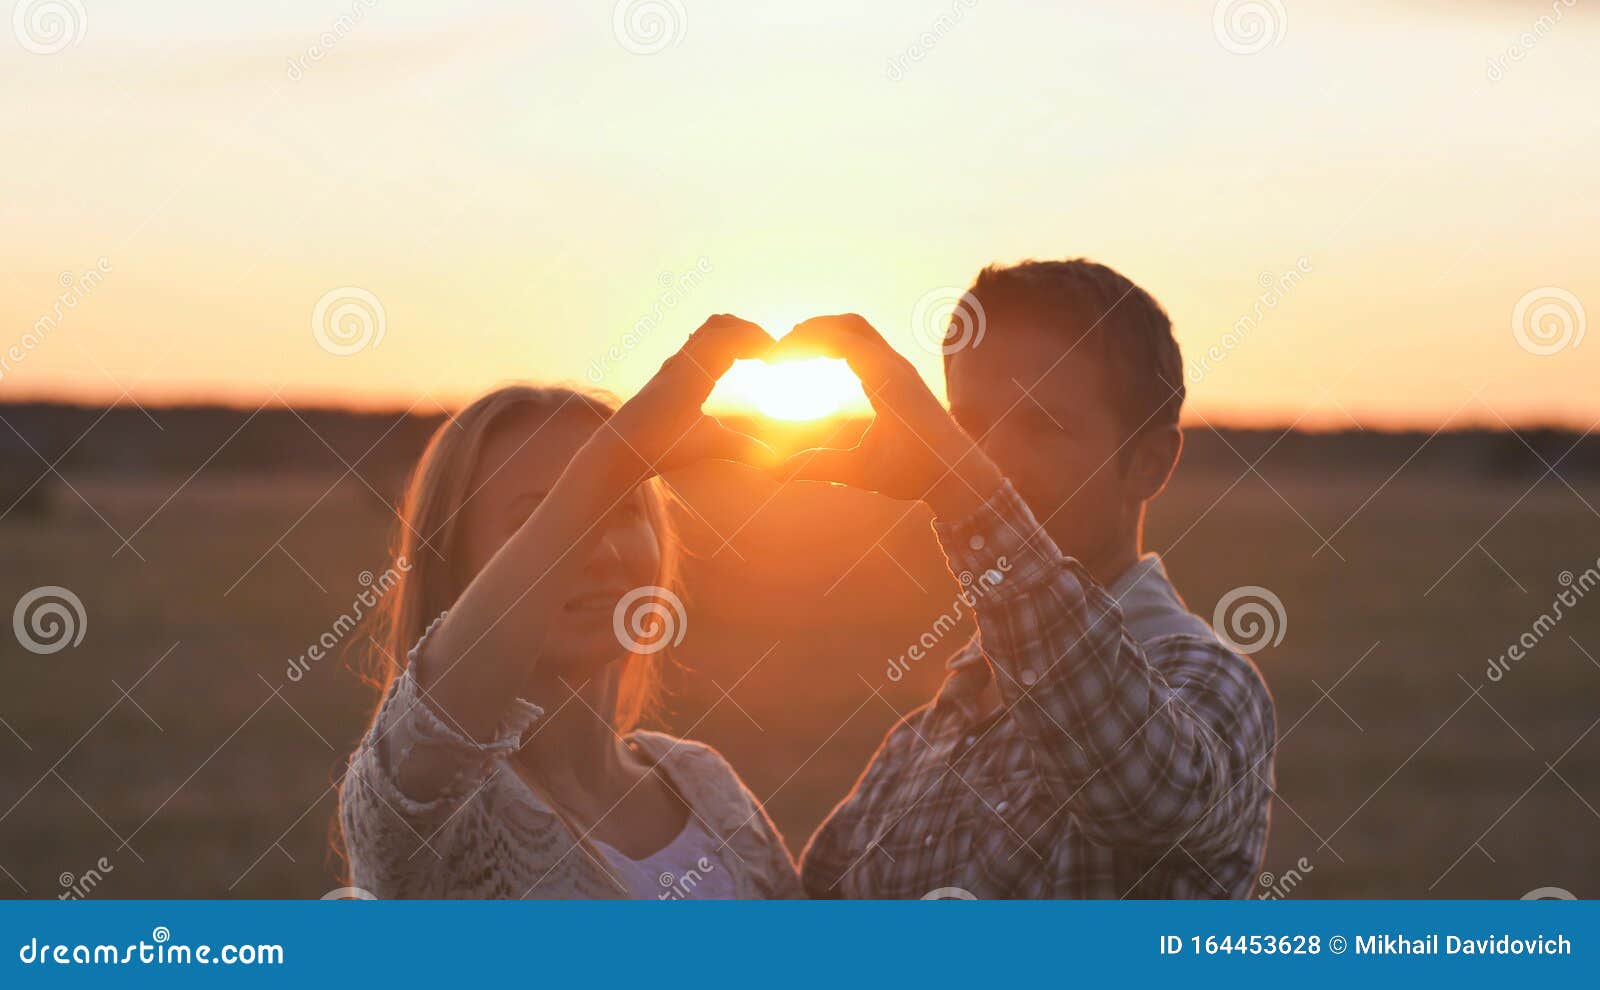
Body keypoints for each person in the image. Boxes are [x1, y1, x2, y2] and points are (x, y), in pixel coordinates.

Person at [780, 260, 1277, 898]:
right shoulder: (923, 738)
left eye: (1042, 424)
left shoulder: (1209, 683)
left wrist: (970, 500)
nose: (987, 459)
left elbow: (1141, 798)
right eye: (966, 426)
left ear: (1148, 464)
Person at [339, 317, 801, 899]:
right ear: (460, 571)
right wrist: (609, 457)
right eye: (547, 521)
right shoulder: (427, 814)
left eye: (623, 508)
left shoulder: (705, 784)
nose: (602, 551)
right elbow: (433, 738)